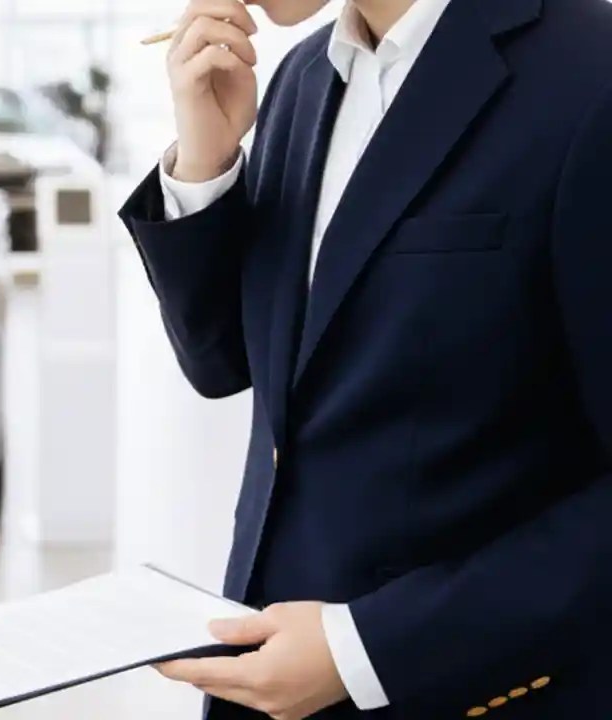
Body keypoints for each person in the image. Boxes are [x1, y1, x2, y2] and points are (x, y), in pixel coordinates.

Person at [119, 0, 612, 717]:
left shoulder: (590, 75)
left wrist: (366, 648)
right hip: (263, 676)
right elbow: (222, 362)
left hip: (471, 686)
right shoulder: (301, 80)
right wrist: (206, 162)